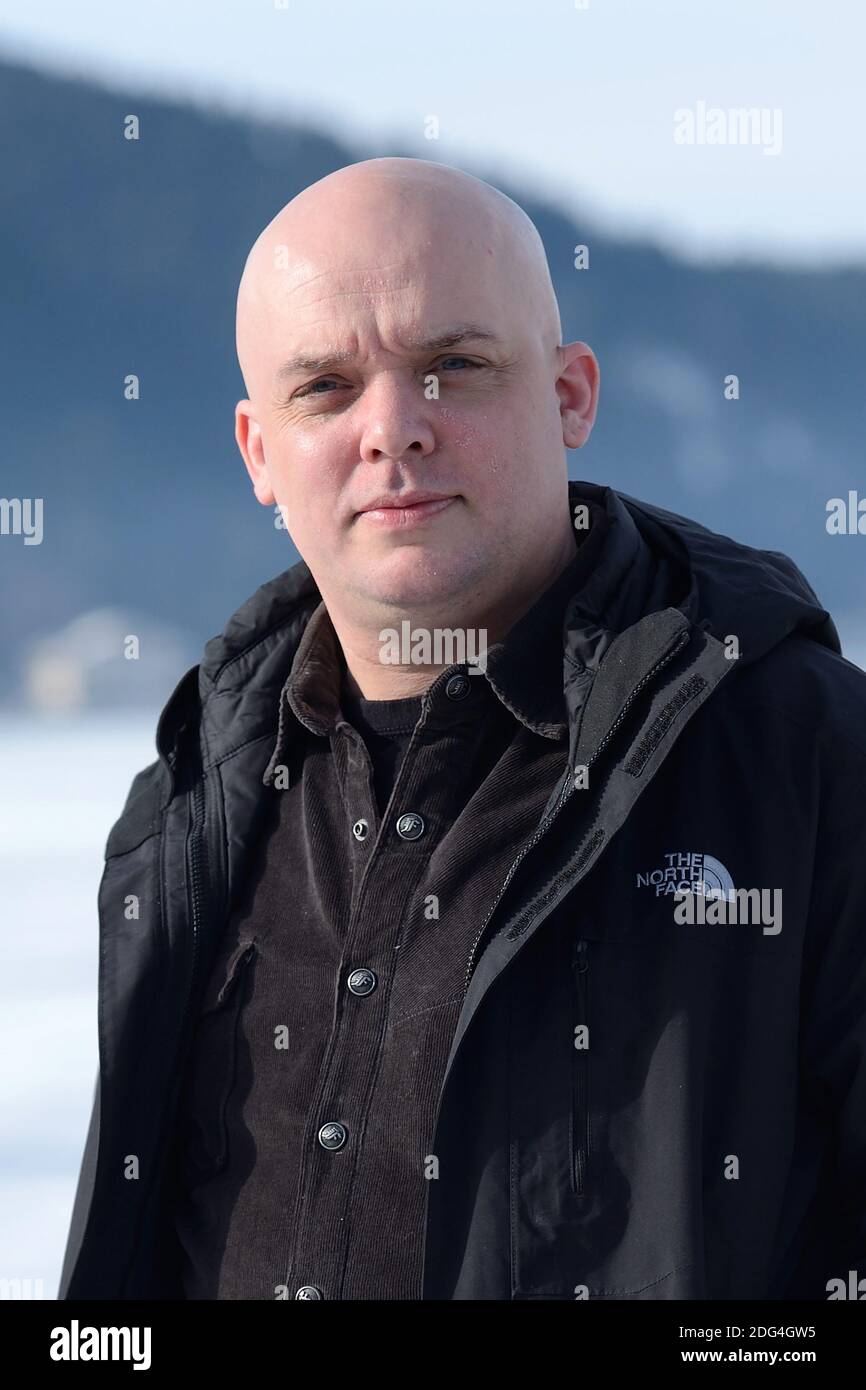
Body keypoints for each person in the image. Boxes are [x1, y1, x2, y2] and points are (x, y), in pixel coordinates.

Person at [59, 157, 866, 1301]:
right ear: (257, 453)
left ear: (568, 393)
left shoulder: (805, 761)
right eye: (326, 388)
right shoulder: (191, 808)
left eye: (452, 366)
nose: (393, 429)